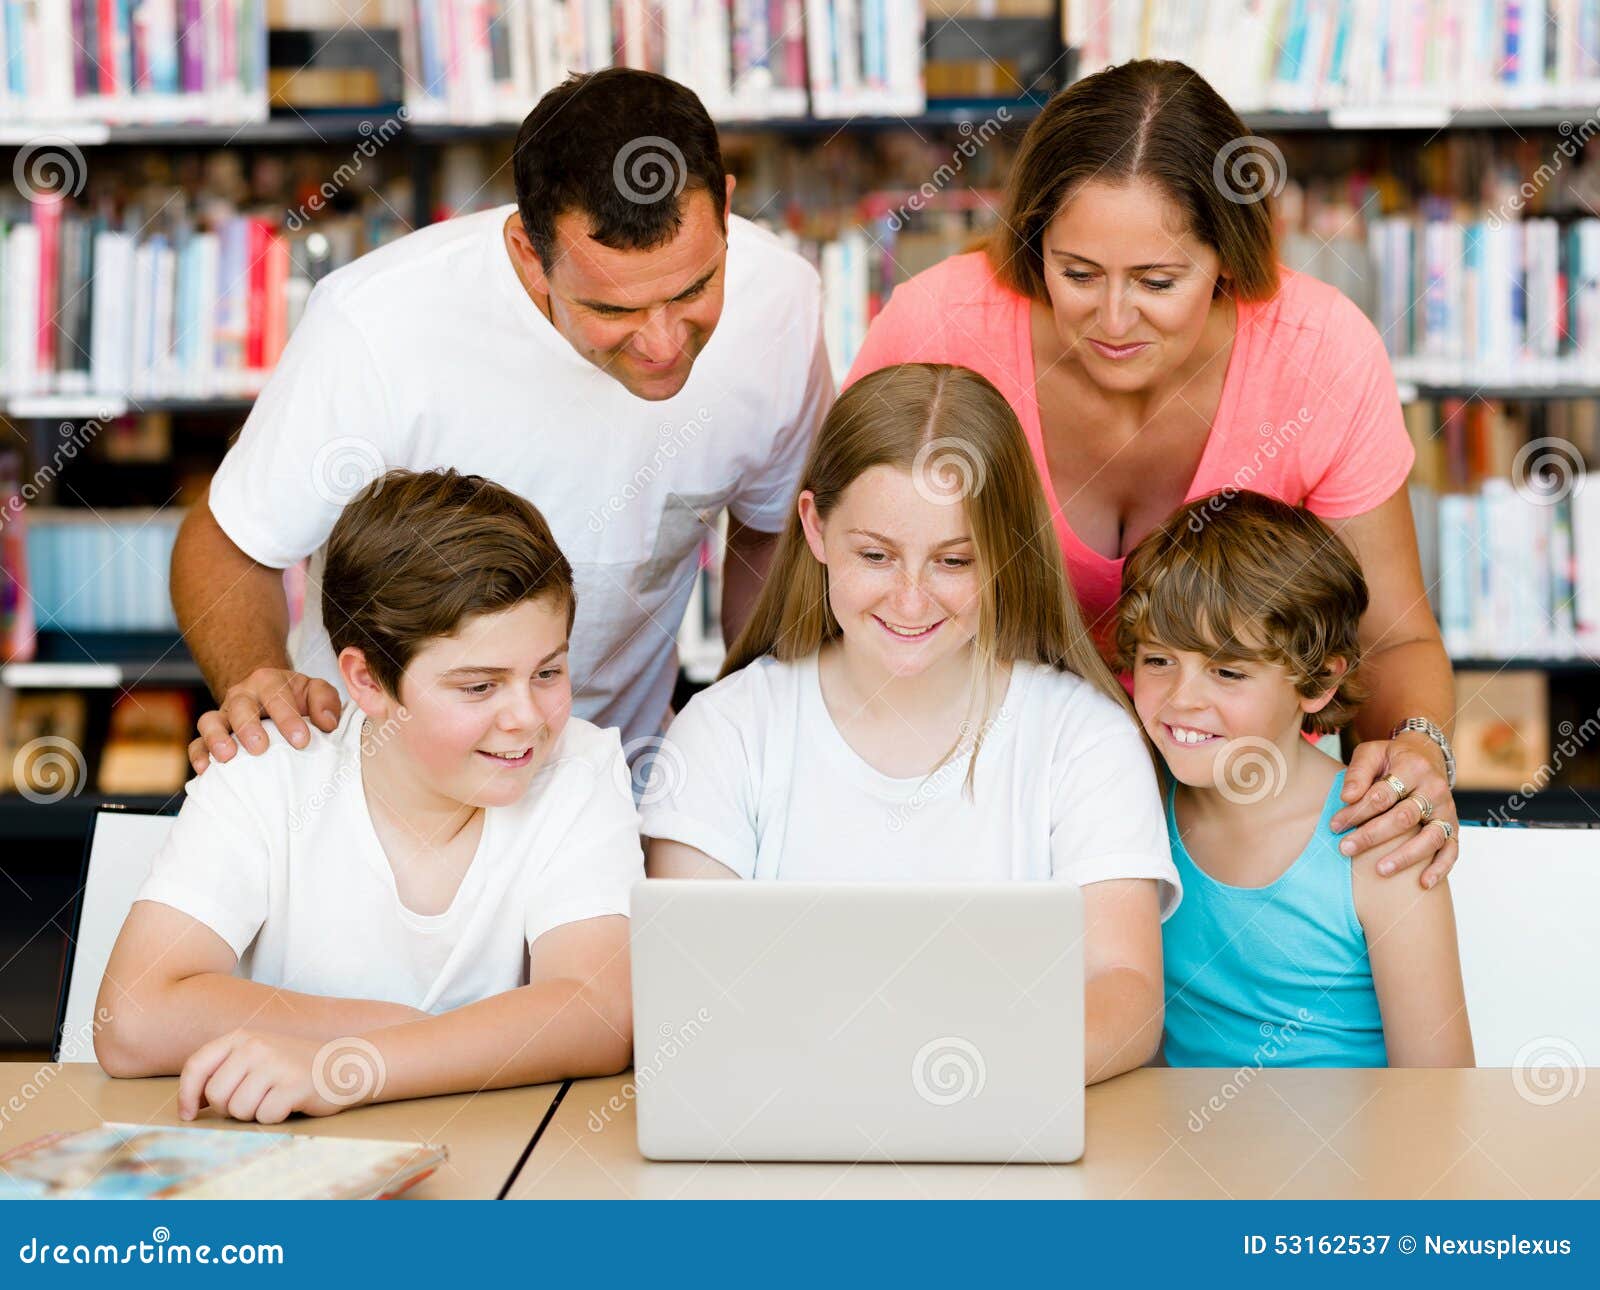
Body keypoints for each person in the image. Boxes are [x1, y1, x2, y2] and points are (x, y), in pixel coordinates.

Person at [845, 59, 1459, 888]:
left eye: (1158, 282)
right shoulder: (940, 327)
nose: (1113, 321)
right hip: (987, 808)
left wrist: (1417, 750)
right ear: (1034, 245)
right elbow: (838, 583)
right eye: (1077, 274)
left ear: (1228, 261)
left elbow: (1396, 638)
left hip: (1243, 810)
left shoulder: (1319, 354)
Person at [173, 67, 832, 777]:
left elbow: (773, 535)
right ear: (529, 250)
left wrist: (756, 725)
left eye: (694, 289)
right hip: (374, 785)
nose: (664, 343)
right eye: (614, 311)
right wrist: (256, 677)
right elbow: (230, 542)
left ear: (728, 209)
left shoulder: (782, 303)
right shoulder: (376, 324)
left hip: (611, 781)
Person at [641, 363, 1181, 1085]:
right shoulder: (727, 733)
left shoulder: (1081, 740)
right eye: (875, 556)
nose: (910, 599)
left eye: (953, 560)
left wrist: (961, 1083)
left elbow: (1126, 991)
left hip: (1008, 1139)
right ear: (815, 528)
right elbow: (687, 1006)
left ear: (1005, 550)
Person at [96, 470, 642, 1123]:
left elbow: (599, 1015)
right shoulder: (267, 774)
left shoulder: (580, 769)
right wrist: (404, 1032)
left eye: (548, 671)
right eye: (478, 687)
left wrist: (346, 1066)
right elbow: (130, 1019)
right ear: (368, 680)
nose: (527, 716)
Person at [1117, 490, 1473, 1068]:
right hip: (1179, 1152)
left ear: (1317, 682)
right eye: (1158, 660)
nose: (1182, 701)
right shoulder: (1135, 805)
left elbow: (1442, 1091)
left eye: (1227, 671)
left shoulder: (1378, 835)